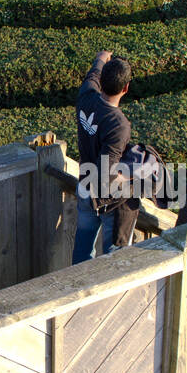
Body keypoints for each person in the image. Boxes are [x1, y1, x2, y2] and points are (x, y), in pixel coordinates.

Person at [73, 50, 132, 263]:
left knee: (82, 249)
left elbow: (92, 76)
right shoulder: (119, 125)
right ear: (125, 88)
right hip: (107, 199)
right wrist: (134, 176)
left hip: (84, 187)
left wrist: (100, 59)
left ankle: (76, 288)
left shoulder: (86, 95)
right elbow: (106, 172)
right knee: (112, 259)